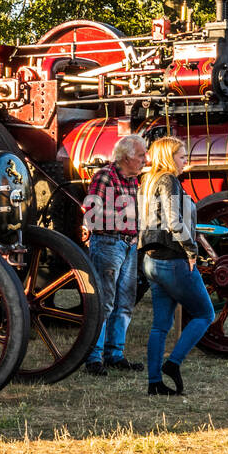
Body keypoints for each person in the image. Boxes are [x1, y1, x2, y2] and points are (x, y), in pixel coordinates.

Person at [137, 136, 216, 396]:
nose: (186, 162)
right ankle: (173, 364)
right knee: (205, 314)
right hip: (173, 260)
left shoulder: (146, 180)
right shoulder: (168, 180)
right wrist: (192, 250)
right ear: (169, 158)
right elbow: (173, 220)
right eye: (182, 157)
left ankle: (153, 382)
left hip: (151, 261)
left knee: (160, 325)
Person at [82, 134, 147, 376]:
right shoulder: (105, 176)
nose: (144, 160)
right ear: (127, 157)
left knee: (125, 302)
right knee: (105, 302)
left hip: (128, 245)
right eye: (141, 155)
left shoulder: (132, 180)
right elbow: (91, 214)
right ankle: (93, 357)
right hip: (109, 243)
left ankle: (115, 354)